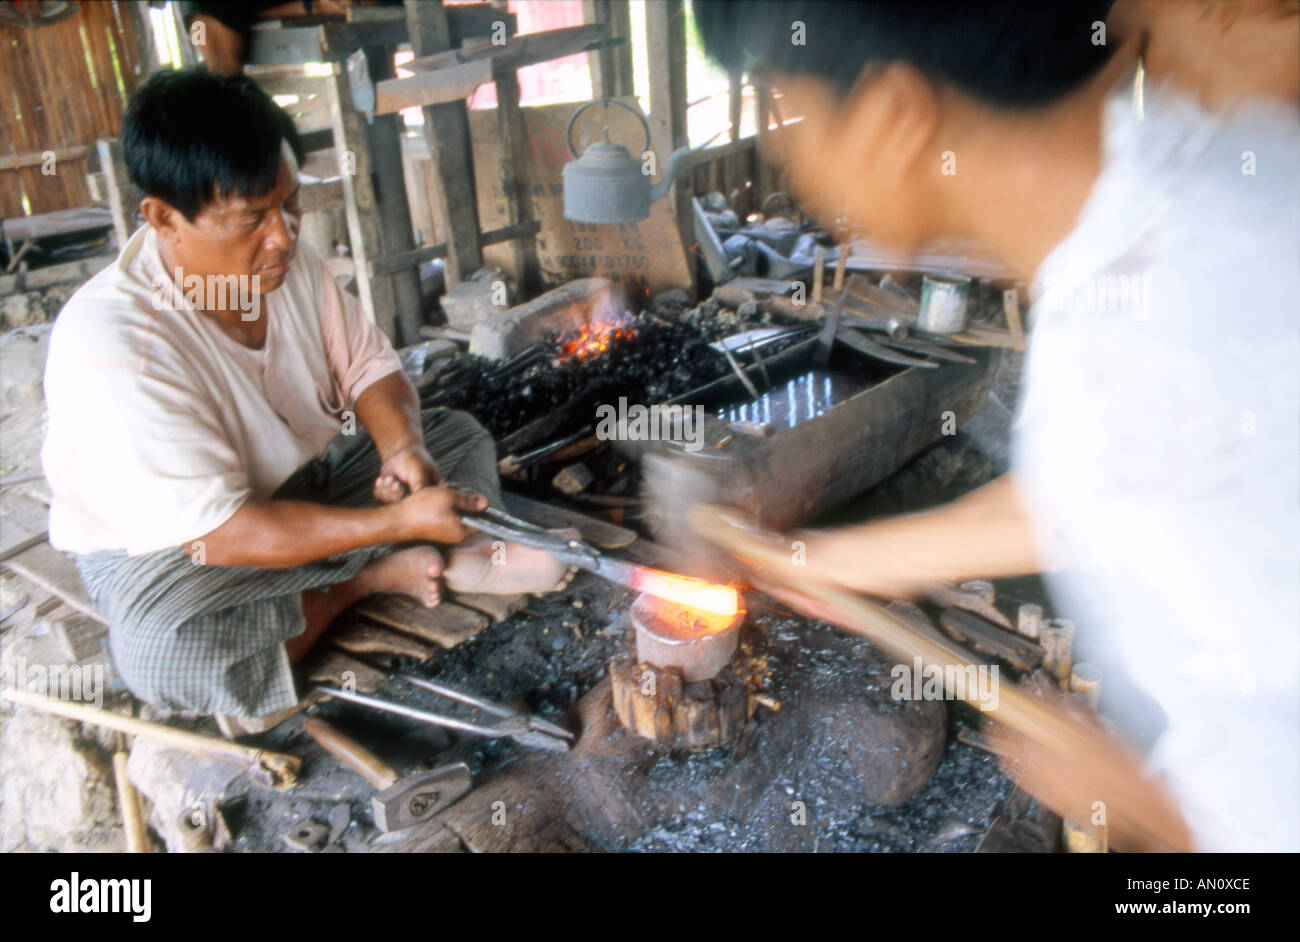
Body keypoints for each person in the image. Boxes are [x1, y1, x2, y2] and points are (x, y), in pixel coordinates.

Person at [694, 0, 1299, 851]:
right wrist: (831, 562)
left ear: (891, 120)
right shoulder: (1191, 184)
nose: (789, 159)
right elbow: (1106, 484)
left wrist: (1136, 800)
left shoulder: (1161, 340)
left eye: (789, 114)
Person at [40, 69, 573, 724]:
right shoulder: (120, 348)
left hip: (292, 495)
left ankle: (400, 547)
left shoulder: (279, 262)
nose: (285, 236)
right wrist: (393, 525)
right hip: (175, 551)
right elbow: (226, 533)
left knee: (452, 431)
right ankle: (371, 576)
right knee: (163, 655)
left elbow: (368, 366)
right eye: (252, 219)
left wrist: (400, 449)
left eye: (289, 204)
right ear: (163, 218)